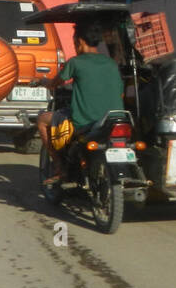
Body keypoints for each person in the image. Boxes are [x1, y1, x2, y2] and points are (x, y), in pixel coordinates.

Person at [37, 22, 125, 183]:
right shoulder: (111, 64)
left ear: (80, 41)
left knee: (43, 120)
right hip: (114, 119)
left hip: (85, 121)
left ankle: (59, 168)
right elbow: (120, 92)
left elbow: (55, 83)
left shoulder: (75, 62)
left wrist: (42, 81)